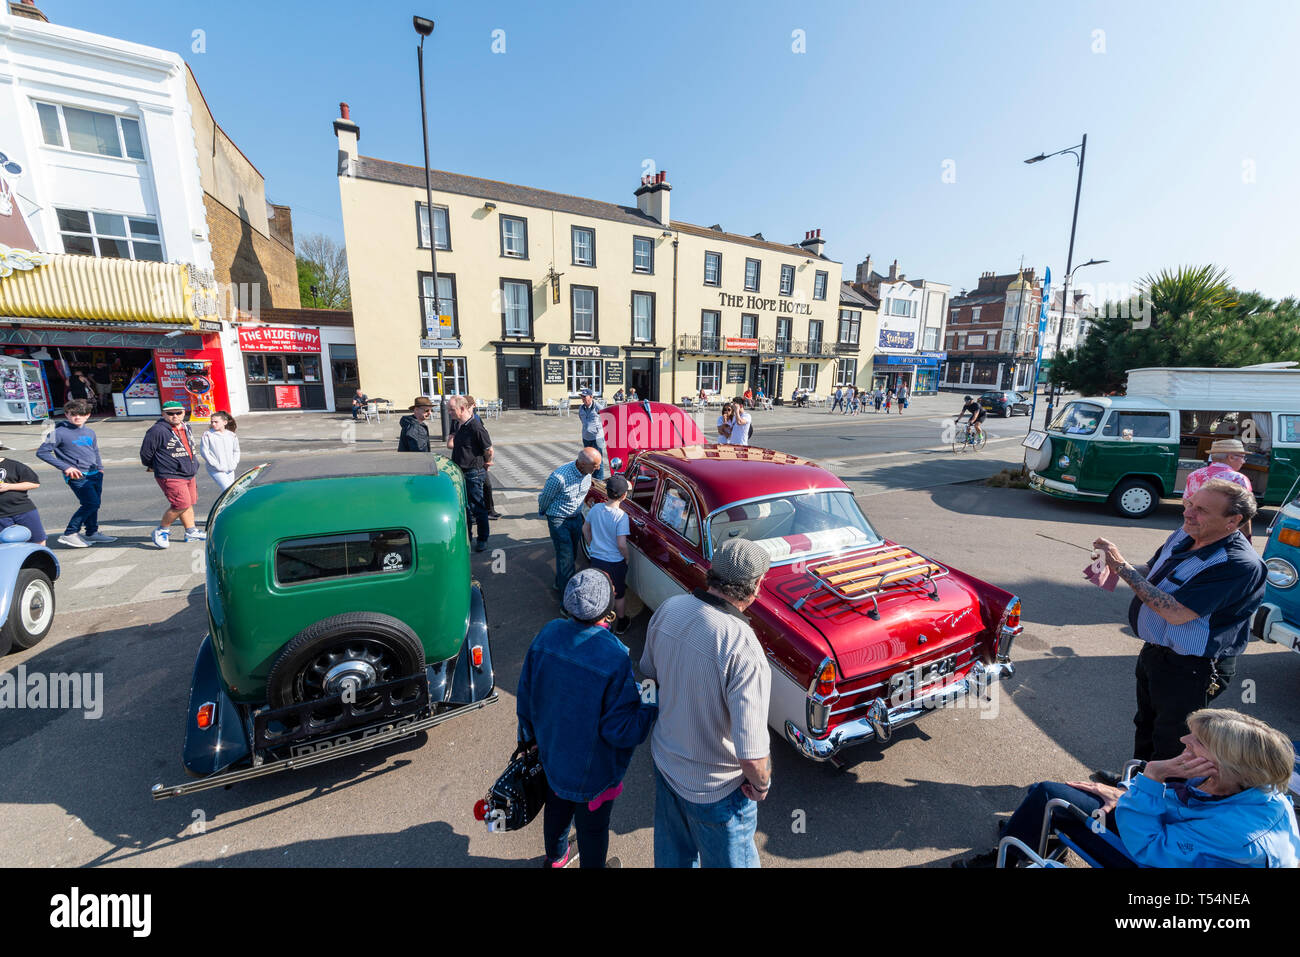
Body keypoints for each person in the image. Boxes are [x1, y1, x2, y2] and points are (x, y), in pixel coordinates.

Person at [954, 709, 1300, 868]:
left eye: (1198, 742)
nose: (1183, 740)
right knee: (1048, 795)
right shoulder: (1262, 793)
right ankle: (1039, 835)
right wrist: (1133, 795)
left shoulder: (1238, 837)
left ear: (1227, 764)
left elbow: (1150, 848)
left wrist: (1150, 779)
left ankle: (1009, 857)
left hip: (1147, 857)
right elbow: (1193, 811)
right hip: (1170, 843)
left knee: (1049, 796)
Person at [1091, 479, 1266, 771]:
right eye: (1189, 504)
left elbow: (1176, 613)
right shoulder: (1186, 534)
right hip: (1157, 652)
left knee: (1174, 739)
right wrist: (1114, 565)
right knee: (1146, 722)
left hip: (1193, 667)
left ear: (1232, 521)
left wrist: (1122, 567)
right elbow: (1154, 572)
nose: (1188, 513)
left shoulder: (1238, 564)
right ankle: (1136, 783)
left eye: (1201, 510)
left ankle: (1158, 803)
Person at [640, 538, 773, 868]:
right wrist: (762, 784)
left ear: (711, 573)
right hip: (717, 791)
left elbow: (647, 678)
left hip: (666, 764)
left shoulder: (670, 608)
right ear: (756, 585)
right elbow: (752, 756)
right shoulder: (744, 648)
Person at [516, 568, 658, 868]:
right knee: (593, 828)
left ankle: (555, 858)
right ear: (607, 611)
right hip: (594, 772)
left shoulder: (547, 634)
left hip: (551, 757)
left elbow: (526, 697)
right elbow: (622, 731)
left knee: (556, 811)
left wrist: (527, 738)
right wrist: (649, 697)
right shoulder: (614, 655)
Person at [37, 399, 112, 548]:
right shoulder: (56, 433)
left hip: (95, 473)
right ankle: (70, 533)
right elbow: (42, 452)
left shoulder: (90, 431)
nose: (77, 417)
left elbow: (94, 450)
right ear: (66, 414)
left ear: (88, 415)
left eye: (81, 414)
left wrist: (100, 467)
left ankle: (92, 532)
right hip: (76, 475)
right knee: (91, 503)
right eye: (73, 414)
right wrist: (66, 467)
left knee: (94, 505)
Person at [139, 400, 203, 549]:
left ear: (184, 413)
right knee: (181, 503)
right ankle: (162, 530)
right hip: (170, 473)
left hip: (188, 471)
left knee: (189, 501)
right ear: (163, 414)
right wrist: (157, 466)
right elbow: (145, 454)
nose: (175, 416)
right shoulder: (157, 430)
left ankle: (191, 531)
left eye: (178, 413)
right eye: (170, 413)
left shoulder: (186, 427)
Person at [538, 449, 600, 595]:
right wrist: (544, 512)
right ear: (583, 464)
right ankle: (566, 603)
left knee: (570, 554)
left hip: (576, 518)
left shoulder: (587, 473)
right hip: (559, 520)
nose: (598, 468)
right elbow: (545, 499)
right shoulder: (559, 477)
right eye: (595, 465)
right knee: (566, 559)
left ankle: (560, 583)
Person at [583, 474, 632, 634]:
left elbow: (585, 529)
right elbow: (621, 544)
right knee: (618, 593)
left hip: (597, 559)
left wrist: (592, 545)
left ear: (606, 492)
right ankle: (622, 622)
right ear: (624, 495)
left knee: (600, 590)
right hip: (614, 562)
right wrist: (626, 557)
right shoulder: (621, 516)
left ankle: (600, 621)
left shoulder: (596, 508)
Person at [450, 394, 494, 552]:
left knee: (478, 508)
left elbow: (488, 449)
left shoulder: (476, 426)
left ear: (462, 408)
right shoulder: (459, 425)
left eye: (451, 409)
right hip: (461, 472)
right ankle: (467, 538)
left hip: (473, 473)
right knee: (465, 508)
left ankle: (482, 539)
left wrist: (486, 464)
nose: (449, 412)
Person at [1185, 439, 1253, 536]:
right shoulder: (1238, 479)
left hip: (1194, 530)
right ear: (1231, 457)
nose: (1243, 462)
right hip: (1222, 534)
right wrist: (1247, 537)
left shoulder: (1194, 474)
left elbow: (1186, 502)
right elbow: (1244, 514)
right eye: (1242, 457)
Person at [0, 454, 46, 546]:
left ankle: (40, 559)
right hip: (1, 515)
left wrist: (8, 486)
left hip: (23, 510)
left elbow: (34, 483)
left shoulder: (14, 465)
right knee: (6, 544)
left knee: (37, 540)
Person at [200, 411, 240, 491]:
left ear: (225, 422)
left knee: (230, 491)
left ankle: (227, 504)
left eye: (216, 422)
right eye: (212, 422)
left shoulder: (231, 435)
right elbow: (204, 452)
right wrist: (216, 465)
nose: (213, 424)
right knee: (228, 490)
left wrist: (234, 463)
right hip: (216, 470)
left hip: (230, 469)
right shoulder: (208, 435)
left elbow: (236, 451)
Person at [576, 388, 607, 480]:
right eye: (582, 397)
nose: (584, 399)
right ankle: (590, 479)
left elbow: (606, 419)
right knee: (587, 460)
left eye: (585, 397)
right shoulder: (581, 408)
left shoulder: (598, 407)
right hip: (586, 437)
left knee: (597, 461)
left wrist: (598, 429)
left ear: (591, 397)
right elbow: (582, 419)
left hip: (597, 438)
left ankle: (599, 480)